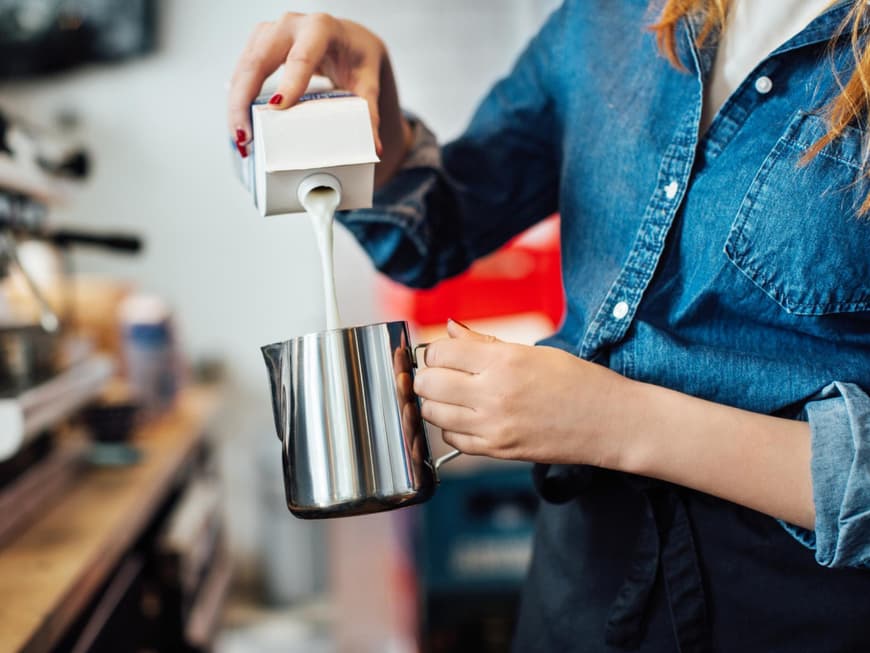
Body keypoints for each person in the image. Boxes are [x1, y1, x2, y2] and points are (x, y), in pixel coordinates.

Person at [228, 1, 870, 650]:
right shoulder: (611, 17)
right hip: (582, 579)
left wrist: (613, 420)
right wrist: (374, 111)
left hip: (794, 608)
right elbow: (442, 221)